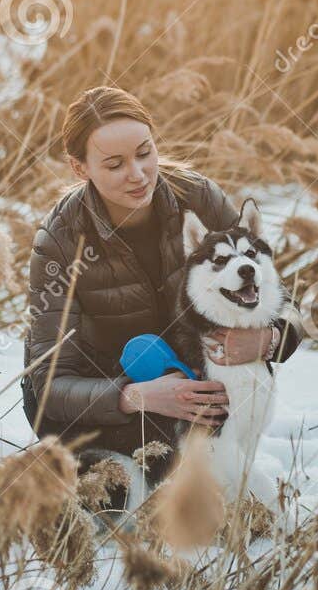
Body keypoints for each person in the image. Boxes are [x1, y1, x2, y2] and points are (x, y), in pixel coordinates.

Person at [21, 85, 300, 504]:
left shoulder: (199, 198)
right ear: (80, 169)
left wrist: (269, 338)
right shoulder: (61, 240)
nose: (137, 174)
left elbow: (281, 301)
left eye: (144, 152)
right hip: (103, 401)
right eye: (114, 164)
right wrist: (134, 396)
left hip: (189, 387)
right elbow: (45, 384)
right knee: (116, 499)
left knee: (210, 476)